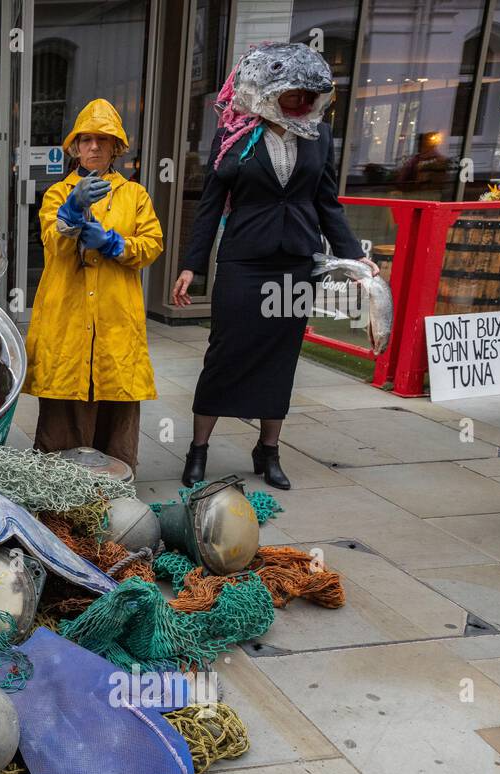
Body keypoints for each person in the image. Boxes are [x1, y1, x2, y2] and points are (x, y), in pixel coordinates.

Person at [171, 42, 377, 490]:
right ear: (265, 93)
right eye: (293, 95)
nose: (303, 104)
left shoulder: (318, 136)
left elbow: (326, 202)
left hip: (295, 263)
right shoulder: (234, 137)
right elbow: (209, 206)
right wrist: (191, 266)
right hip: (244, 261)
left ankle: (268, 450)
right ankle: (198, 449)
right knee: (226, 353)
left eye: (309, 96)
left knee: (281, 356)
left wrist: (354, 257)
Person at [23, 99, 163, 470]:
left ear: (116, 147)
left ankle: (115, 492)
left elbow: (152, 244)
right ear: (75, 147)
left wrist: (117, 245)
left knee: (115, 402)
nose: (94, 147)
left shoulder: (135, 195)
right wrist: (70, 213)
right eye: (86, 140)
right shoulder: (57, 193)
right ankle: (57, 494)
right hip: (67, 316)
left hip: (115, 318)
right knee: (63, 404)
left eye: (103, 140)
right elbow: (54, 241)